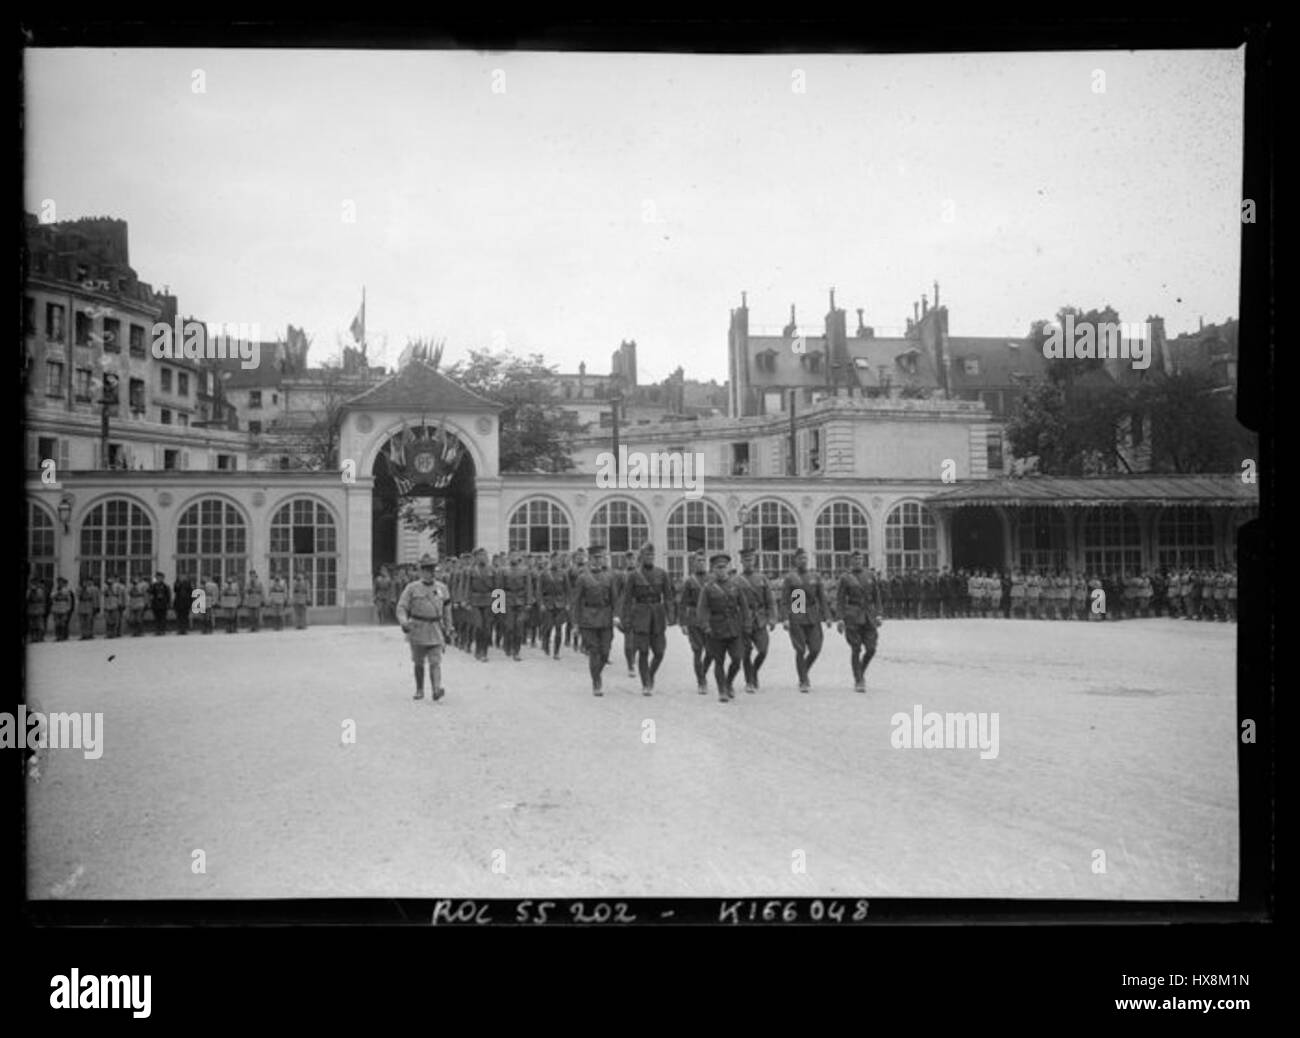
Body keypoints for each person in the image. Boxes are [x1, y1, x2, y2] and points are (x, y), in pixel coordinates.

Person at [620, 543, 675, 695]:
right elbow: (627, 600)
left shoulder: (662, 574)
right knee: (643, 651)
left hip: (657, 615)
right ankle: (645, 683)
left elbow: (669, 596)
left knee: (659, 652)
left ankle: (650, 674)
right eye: (646, 555)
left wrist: (670, 615)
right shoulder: (634, 576)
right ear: (642, 557)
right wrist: (626, 619)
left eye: (652, 555)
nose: (649, 558)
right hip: (640, 615)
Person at [397, 554, 452, 702]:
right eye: (427, 569)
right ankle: (420, 689)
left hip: (435, 628)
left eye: (433, 569)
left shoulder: (442, 588)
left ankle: (436, 689)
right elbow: (402, 607)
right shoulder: (412, 588)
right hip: (417, 629)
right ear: (421, 571)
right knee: (418, 661)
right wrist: (403, 622)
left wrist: (449, 628)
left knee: (435, 661)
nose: (431, 572)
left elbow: (447, 610)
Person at [699, 552, 749, 702]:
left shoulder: (736, 585)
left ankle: (729, 682)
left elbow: (744, 607)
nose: (721, 570)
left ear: (728, 568)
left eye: (724, 567)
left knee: (737, 659)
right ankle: (722, 690)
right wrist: (706, 626)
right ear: (713, 570)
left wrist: (747, 624)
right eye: (718, 568)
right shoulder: (708, 588)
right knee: (719, 661)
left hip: (734, 627)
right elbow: (702, 609)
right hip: (716, 628)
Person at [780, 547, 831, 694]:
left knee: (815, 649)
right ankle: (803, 680)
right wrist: (785, 618)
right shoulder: (791, 578)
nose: (803, 561)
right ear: (795, 560)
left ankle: (803, 671)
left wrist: (827, 616)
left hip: (813, 615)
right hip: (797, 610)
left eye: (805, 558)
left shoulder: (814, 576)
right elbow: (784, 600)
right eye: (800, 558)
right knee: (800, 649)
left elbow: (822, 599)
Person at [836, 550, 884, 693]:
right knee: (855, 648)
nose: (858, 562)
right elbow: (840, 600)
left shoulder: (870, 575)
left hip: (869, 616)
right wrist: (840, 618)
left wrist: (879, 614)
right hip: (853, 616)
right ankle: (858, 680)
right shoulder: (845, 578)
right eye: (855, 559)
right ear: (850, 561)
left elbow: (877, 596)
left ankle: (860, 672)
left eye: (860, 559)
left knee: (871, 649)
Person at [573, 545, 616, 696]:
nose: (599, 561)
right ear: (590, 559)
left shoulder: (609, 577)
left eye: (601, 558)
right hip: (588, 619)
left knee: (605, 651)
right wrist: (576, 623)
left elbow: (614, 598)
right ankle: (596, 682)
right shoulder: (582, 578)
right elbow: (576, 601)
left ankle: (597, 672)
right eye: (596, 558)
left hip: (605, 617)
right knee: (594, 651)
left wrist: (616, 616)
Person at [736, 547, 777, 694]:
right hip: (744, 620)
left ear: (755, 560)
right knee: (746, 652)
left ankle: (753, 671)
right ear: (741, 561)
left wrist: (773, 618)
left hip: (760, 619)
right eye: (746, 559)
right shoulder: (736, 580)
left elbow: (770, 600)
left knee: (763, 650)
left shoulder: (762, 578)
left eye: (751, 559)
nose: (749, 562)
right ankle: (749, 681)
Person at [677, 551, 712, 694]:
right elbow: (682, 604)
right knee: (697, 651)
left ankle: (702, 672)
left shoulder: (712, 579)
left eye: (703, 560)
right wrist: (683, 623)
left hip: (709, 620)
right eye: (698, 561)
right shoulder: (689, 582)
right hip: (694, 619)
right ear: (693, 563)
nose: (701, 563)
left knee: (711, 652)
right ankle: (701, 682)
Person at [466, 547, 497, 661]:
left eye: (484, 555)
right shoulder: (472, 570)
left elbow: (498, 588)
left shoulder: (492, 570)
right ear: (476, 557)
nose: (482, 557)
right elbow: (467, 587)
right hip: (475, 601)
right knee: (479, 626)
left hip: (489, 601)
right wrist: (467, 602)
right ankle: (478, 649)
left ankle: (484, 652)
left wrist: (499, 606)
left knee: (487, 628)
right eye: (479, 555)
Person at [501, 551, 532, 661]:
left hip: (521, 600)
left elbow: (528, 587)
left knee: (519, 626)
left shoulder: (524, 571)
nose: (513, 558)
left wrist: (528, 602)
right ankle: (507, 645)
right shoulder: (504, 571)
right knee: (509, 627)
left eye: (515, 556)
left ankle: (516, 651)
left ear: (519, 558)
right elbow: (499, 587)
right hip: (508, 600)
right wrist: (497, 605)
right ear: (509, 558)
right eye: (511, 556)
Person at [148, 571, 172, 636]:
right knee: (156, 618)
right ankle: (157, 630)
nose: (159, 579)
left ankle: (162, 630)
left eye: (160, 577)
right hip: (155, 604)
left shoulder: (165, 586)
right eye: (157, 577)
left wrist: (169, 603)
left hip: (163, 604)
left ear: (163, 578)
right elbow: (149, 592)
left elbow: (168, 595)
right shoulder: (153, 585)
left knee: (163, 617)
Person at [103, 573, 125, 638]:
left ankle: (116, 632)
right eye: (114, 578)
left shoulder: (120, 586)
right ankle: (108, 633)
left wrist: (123, 603)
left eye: (116, 578)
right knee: (108, 620)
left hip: (117, 604)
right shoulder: (106, 586)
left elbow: (122, 595)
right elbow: (103, 593)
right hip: (108, 604)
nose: (115, 579)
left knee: (116, 620)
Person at [26, 577, 48, 643]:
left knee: (39, 624)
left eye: (35, 582)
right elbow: (27, 598)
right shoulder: (29, 590)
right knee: (31, 624)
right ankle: (33, 637)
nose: (34, 584)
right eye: (32, 582)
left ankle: (39, 637)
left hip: (39, 609)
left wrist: (34, 592)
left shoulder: (40, 590)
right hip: (31, 609)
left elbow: (41, 599)